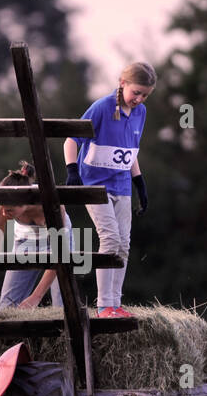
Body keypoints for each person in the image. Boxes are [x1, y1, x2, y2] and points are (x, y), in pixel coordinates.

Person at [63, 62, 155, 318]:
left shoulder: (141, 112)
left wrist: (140, 183)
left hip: (122, 184)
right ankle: (104, 305)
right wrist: (72, 170)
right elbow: (71, 139)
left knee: (123, 243)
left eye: (145, 95)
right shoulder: (102, 108)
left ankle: (116, 303)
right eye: (136, 92)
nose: (139, 99)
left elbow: (130, 151)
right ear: (122, 83)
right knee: (110, 238)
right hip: (95, 185)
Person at [0, 161, 72, 309]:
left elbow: (60, 256)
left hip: (57, 245)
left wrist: (35, 297)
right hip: (24, 243)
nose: (4, 213)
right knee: (6, 307)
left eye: (10, 210)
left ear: (24, 203)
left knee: (62, 306)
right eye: (2, 209)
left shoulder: (51, 207)